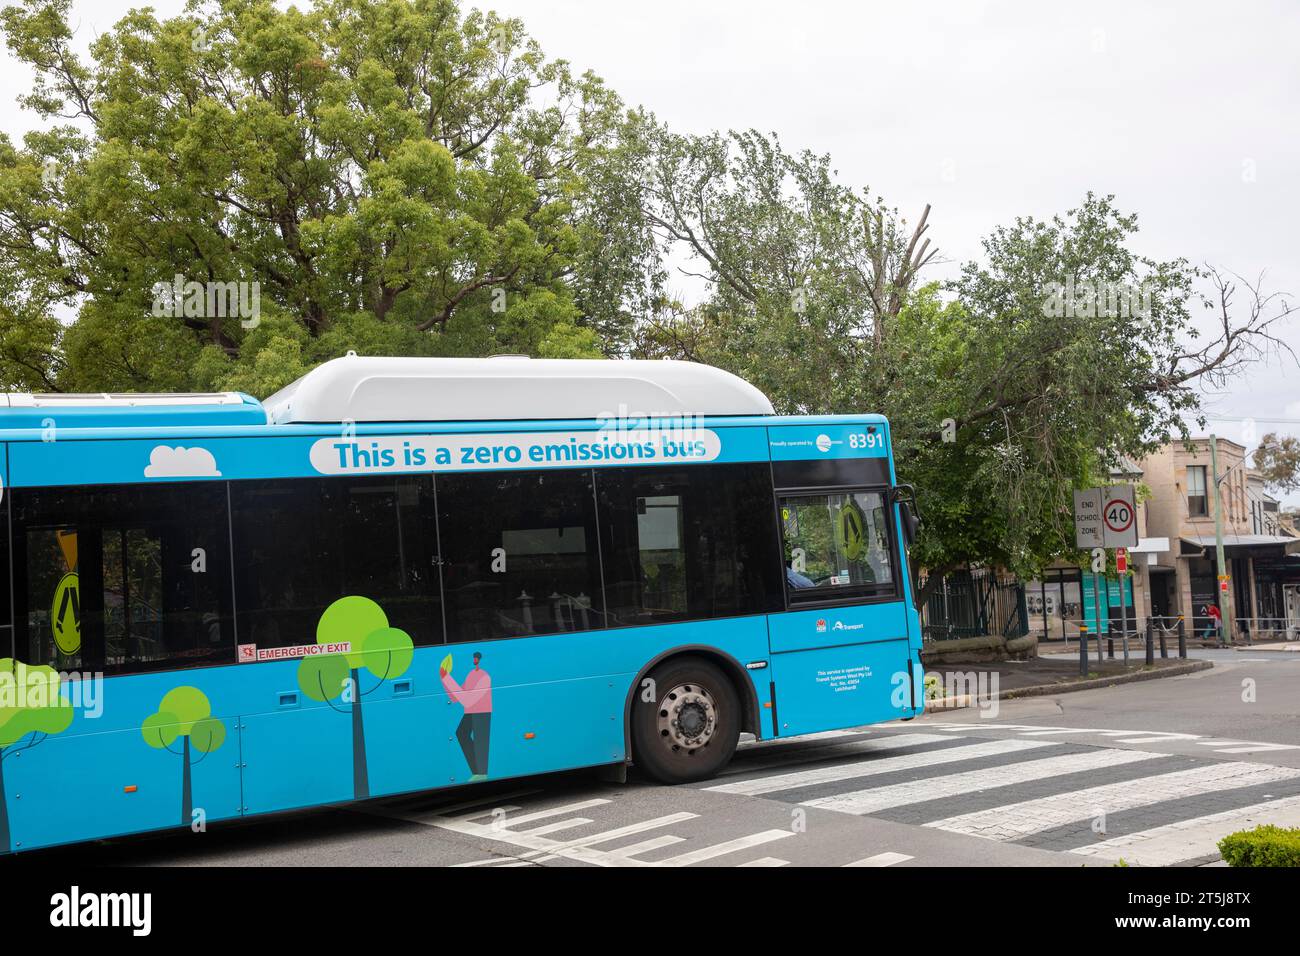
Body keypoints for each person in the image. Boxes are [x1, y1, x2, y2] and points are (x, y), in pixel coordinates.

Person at [440, 652, 492, 781]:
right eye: (474, 658)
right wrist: (445, 679)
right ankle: (477, 772)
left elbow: (467, 700)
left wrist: (447, 678)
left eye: (477, 658)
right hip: (469, 711)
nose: (475, 660)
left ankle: (481, 773)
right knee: (461, 733)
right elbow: (456, 696)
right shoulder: (471, 675)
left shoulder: (485, 676)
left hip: (482, 711)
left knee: (481, 741)